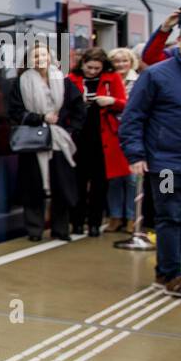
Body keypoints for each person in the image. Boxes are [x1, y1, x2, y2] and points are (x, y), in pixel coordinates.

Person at [118, 16, 181, 297]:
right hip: (165, 165)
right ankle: (171, 275)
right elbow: (133, 117)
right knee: (170, 216)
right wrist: (135, 153)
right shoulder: (157, 74)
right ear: (180, 40)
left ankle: (167, 270)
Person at [8, 42, 85, 242]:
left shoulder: (64, 81)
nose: (40, 59)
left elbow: (79, 108)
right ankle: (34, 230)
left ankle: (61, 229)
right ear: (29, 60)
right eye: (35, 56)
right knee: (33, 188)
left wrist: (70, 131)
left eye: (43, 55)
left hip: (59, 142)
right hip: (33, 141)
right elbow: (14, 112)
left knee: (61, 186)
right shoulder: (21, 82)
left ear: (50, 58)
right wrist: (40, 118)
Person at [70, 49, 127, 235]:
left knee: (99, 184)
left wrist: (111, 100)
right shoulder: (71, 78)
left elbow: (125, 104)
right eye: (89, 67)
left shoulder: (113, 78)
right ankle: (77, 222)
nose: (93, 72)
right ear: (82, 63)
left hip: (103, 139)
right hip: (77, 138)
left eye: (97, 68)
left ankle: (94, 223)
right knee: (77, 183)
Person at [106, 47, 140, 231]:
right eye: (116, 61)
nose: (120, 64)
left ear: (131, 62)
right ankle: (115, 216)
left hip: (132, 133)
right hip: (111, 134)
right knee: (114, 178)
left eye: (124, 61)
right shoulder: (106, 81)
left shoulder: (140, 80)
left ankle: (132, 217)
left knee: (132, 178)